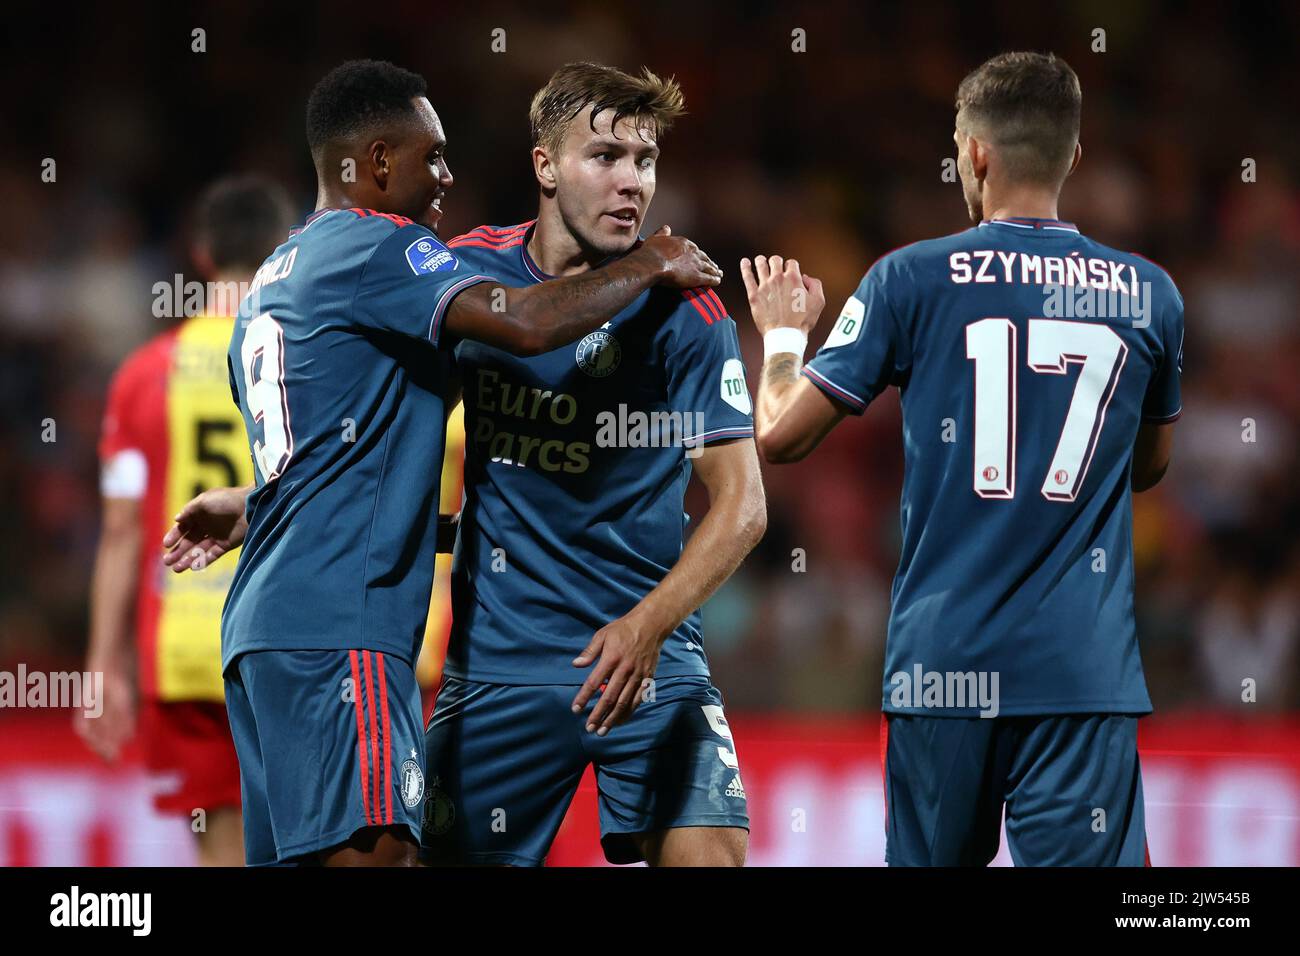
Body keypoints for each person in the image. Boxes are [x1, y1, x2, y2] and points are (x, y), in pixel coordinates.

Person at [159, 59, 723, 867]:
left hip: (266, 629)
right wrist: (649, 264)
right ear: (379, 163)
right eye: (433, 156)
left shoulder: (284, 269)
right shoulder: (378, 248)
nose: (446, 177)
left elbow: (342, 456)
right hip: (342, 630)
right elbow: (526, 323)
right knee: (382, 857)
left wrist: (254, 507)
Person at [743, 51, 1182, 866]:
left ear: (973, 153)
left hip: (943, 669)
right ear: (1073, 156)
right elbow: (1147, 467)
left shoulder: (908, 278)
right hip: (1081, 674)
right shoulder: (1149, 293)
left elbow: (779, 434)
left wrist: (781, 337)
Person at [422, 62, 765, 867]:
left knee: (713, 854)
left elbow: (743, 508)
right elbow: (386, 433)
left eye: (644, 162)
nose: (631, 184)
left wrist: (647, 626)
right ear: (545, 166)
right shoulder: (471, 276)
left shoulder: (687, 305)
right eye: (605, 157)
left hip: (650, 657)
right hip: (498, 663)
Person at [81, 176, 294, 866]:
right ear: (285, 251)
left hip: (186, 648)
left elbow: (120, 531)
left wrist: (102, 664)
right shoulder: (304, 361)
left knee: (224, 854)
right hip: (287, 638)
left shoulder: (145, 375)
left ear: (202, 254)